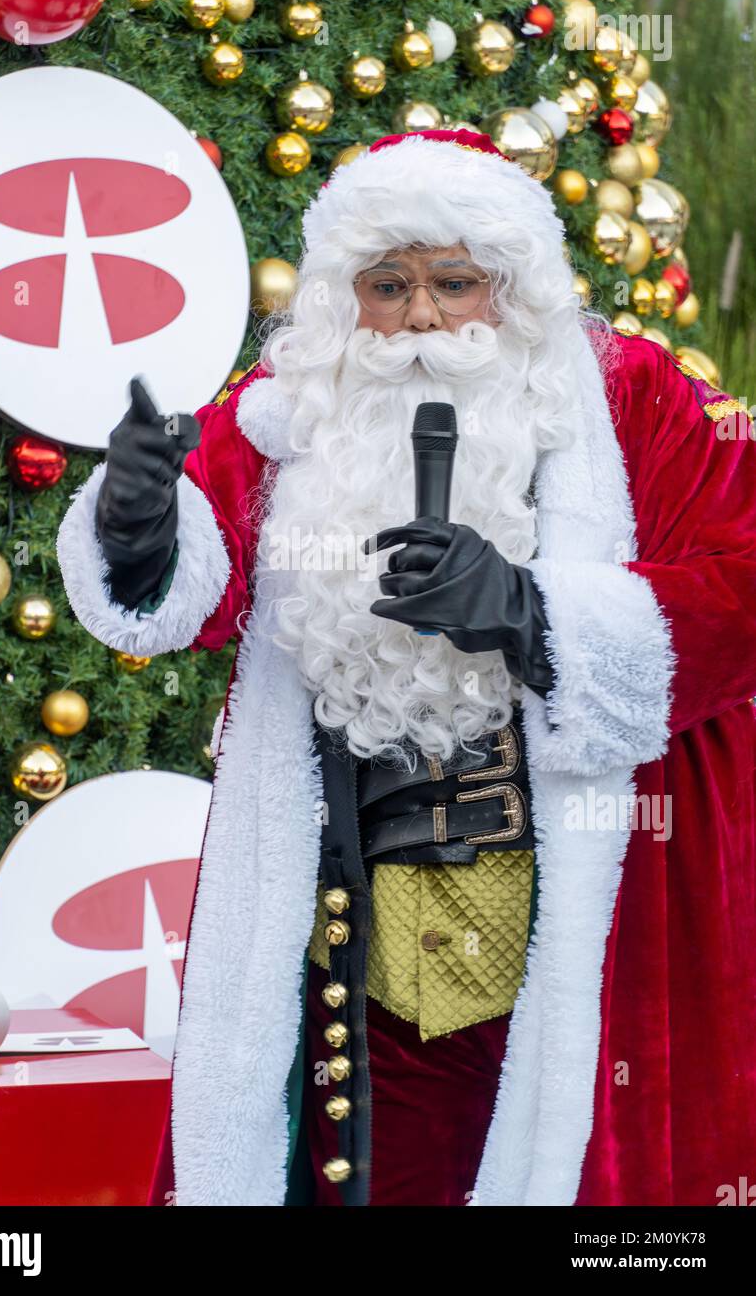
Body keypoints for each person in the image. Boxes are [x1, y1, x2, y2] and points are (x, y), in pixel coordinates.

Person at [56, 127, 756, 1207]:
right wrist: (136, 524)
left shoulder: (632, 403)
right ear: (347, 298)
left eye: (453, 283)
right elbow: (186, 588)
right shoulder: (289, 412)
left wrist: (530, 613)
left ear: (510, 292)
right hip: (356, 943)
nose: (421, 317)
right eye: (387, 285)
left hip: (568, 933)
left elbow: (741, 574)